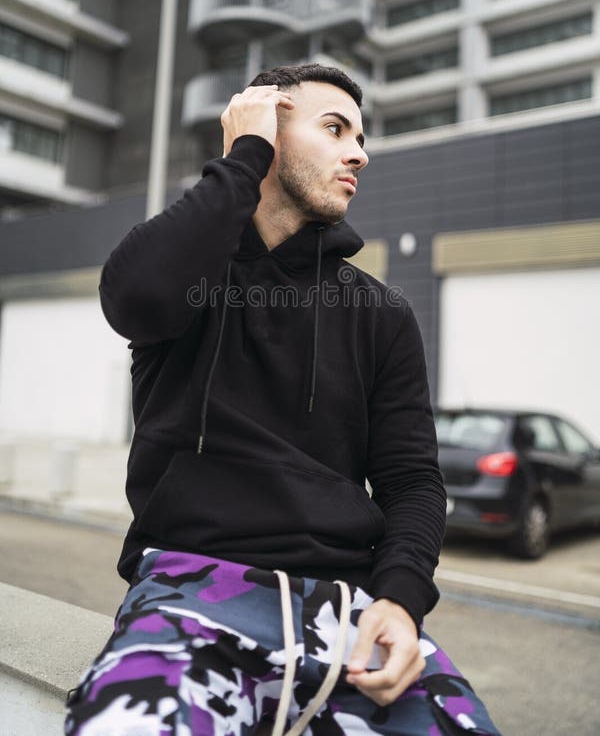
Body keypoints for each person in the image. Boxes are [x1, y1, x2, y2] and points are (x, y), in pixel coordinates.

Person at [65, 63, 500, 735]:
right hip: (189, 595)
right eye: (334, 128)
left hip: (345, 612)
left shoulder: (381, 313)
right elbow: (135, 296)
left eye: (361, 136)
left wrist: (401, 602)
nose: (359, 152)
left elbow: (412, 480)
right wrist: (245, 158)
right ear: (268, 130)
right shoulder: (189, 278)